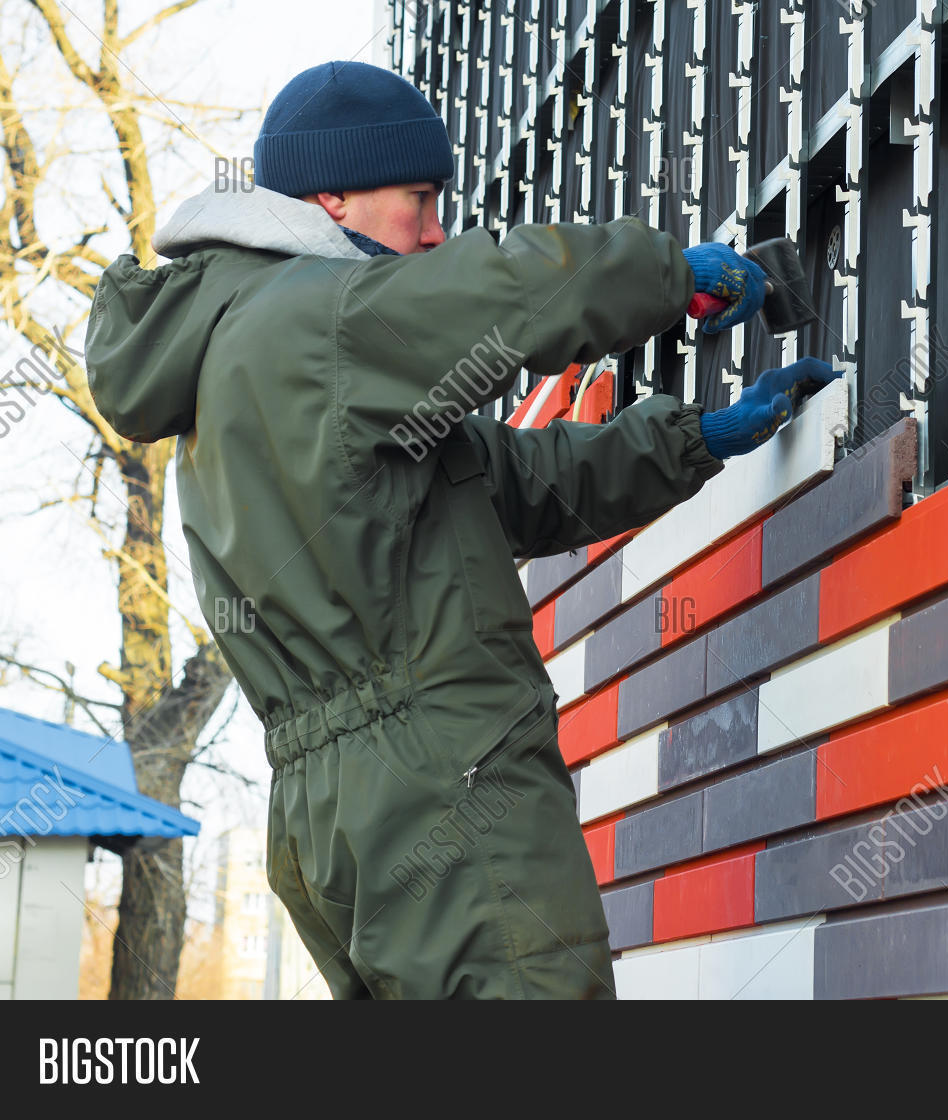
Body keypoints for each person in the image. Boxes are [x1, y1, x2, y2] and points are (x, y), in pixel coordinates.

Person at [85, 60, 840, 999]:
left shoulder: (239, 355)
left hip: (329, 814)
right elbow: (501, 294)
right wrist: (664, 272)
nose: (436, 229)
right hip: (442, 780)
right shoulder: (314, 316)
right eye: (420, 197)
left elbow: (498, 485)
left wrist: (695, 437)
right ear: (334, 198)